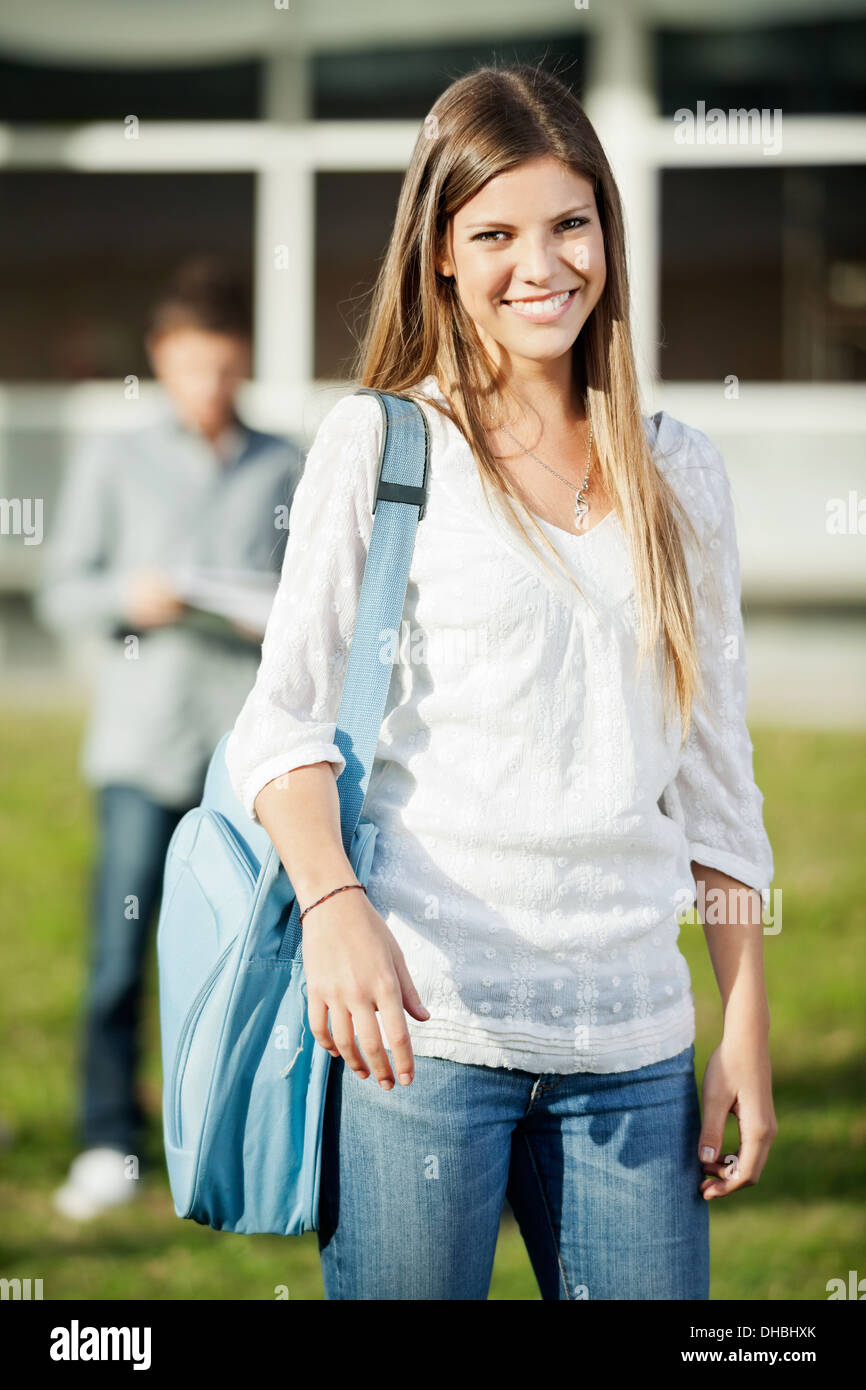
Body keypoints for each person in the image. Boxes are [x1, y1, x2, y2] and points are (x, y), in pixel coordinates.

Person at [225, 63, 777, 1301]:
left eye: (569, 223)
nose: (543, 265)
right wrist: (333, 905)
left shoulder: (678, 470)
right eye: (496, 234)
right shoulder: (381, 444)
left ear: (606, 233)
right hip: (424, 1037)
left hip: (633, 1048)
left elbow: (715, 777)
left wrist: (740, 1021)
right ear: (438, 255)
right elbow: (282, 725)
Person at [37, 256, 302, 1220]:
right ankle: (109, 1137)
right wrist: (127, 597)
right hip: (141, 748)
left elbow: (319, 613)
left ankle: (238, 1132)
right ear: (161, 359)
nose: (209, 388)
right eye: (193, 368)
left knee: (252, 951)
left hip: (246, 759)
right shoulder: (115, 459)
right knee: (121, 951)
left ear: (245, 366)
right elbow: (62, 590)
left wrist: (264, 614)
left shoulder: (286, 463)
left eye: (226, 370)